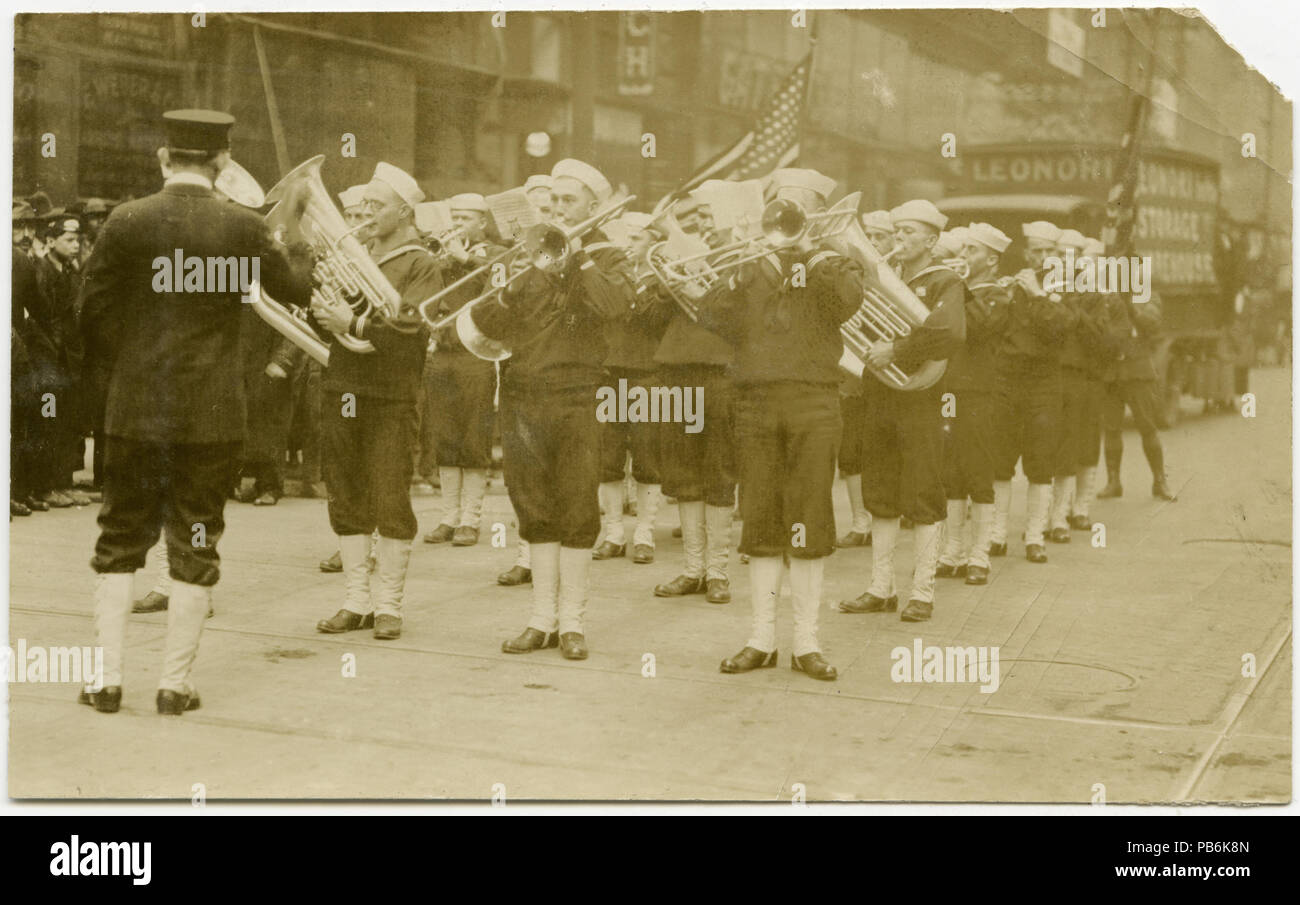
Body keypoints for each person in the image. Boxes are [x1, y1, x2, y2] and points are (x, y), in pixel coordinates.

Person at [78, 108, 311, 714]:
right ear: (223, 163)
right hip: (211, 417)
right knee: (195, 537)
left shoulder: (126, 221)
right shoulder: (243, 228)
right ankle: (173, 686)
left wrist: (133, 364)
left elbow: (91, 314)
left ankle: (106, 682)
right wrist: (295, 236)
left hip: (135, 412)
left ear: (162, 158)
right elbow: (297, 293)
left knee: (120, 536)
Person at [699, 168, 863, 679]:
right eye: (778, 201)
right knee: (763, 517)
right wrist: (737, 265)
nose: (784, 211)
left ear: (818, 212)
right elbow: (712, 316)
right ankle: (761, 638)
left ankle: (807, 642)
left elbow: (849, 302)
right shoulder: (749, 264)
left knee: (808, 517)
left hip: (813, 400)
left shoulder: (834, 262)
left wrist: (812, 253)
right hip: (756, 400)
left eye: (796, 204)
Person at [473, 158, 635, 661]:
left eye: (567, 200)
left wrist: (579, 255)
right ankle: (540, 619)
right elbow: (485, 321)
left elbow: (615, 307)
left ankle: (572, 623)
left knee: (576, 508)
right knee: (534, 508)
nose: (556, 207)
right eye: (553, 200)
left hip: (579, 394)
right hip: (524, 393)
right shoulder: (526, 255)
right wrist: (513, 277)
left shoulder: (609, 256)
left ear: (592, 205)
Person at [311, 162, 441, 642]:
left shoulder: (421, 262)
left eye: (376, 206)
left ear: (405, 212)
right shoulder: (357, 253)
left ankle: (388, 604)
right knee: (345, 491)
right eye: (363, 206)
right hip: (343, 385)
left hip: (390, 394)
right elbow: (324, 314)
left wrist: (354, 323)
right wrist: (323, 309)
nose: (365, 214)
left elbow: (412, 330)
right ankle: (355, 600)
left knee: (389, 492)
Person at [839, 199, 965, 623]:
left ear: (931, 239)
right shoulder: (881, 278)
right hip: (880, 393)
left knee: (924, 490)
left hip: (921, 398)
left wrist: (897, 348)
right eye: (897, 232)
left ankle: (923, 592)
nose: (900, 239)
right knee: (880, 490)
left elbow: (949, 332)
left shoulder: (946, 280)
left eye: (909, 232)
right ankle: (881, 587)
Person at [649, 192, 737, 604]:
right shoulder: (671, 257)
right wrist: (669, 288)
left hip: (721, 373)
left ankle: (717, 570)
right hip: (675, 370)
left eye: (706, 213)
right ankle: (692, 568)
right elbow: (645, 318)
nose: (697, 221)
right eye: (689, 216)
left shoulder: (741, 256)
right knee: (683, 470)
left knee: (718, 470)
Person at [422, 193, 502, 547]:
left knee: (474, 437)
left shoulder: (496, 254)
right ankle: (448, 517)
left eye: (465, 218)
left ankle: (471, 518)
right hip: (442, 351)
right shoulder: (439, 254)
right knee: (444, 436)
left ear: (482, 223)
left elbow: (493, 291)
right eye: (454, 216)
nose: (457, 224)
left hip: (476, 354)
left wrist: (464, 258)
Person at [987, 221, 1070, 563]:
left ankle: (1035, 535)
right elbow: (993, 331)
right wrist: (1004, 300)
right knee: (1001, 459)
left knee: (1040, 460)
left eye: (1048, 251)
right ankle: (997, 533)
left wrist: (1037, 293)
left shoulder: (1067, 283)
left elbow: (1062, 329)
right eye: (1036, 251)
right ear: (1026, 252)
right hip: (1008, 379)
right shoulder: (1015, 283)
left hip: (1045, 381)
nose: (1042, 257)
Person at [936, 222, 1012, 585]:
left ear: (992, 259)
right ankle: (953, 551)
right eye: (963, 249)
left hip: (980, 392)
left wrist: (959, 288)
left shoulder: (998, 293)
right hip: (949, 389)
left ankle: (979, 554)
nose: (962, 256)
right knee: (951, 470)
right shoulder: (958, 289)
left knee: (978, 469)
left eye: (972, 251)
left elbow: (981, 327)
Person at [593, 211, 665, 563]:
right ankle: (614, 532)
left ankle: (645, 533)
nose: (627, 245)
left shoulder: (662, 278)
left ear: (653, 242)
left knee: (649, 457)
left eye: (635, 238)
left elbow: (657, 322)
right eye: (624, 238)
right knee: (608, 457)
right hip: (609, 371)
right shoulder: (609, 276)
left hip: (650, 374)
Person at [836, 209, 895, 548]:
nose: (872, 243)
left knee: (882, 448)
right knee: (851, 449)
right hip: (849, 371)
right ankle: (861, 521)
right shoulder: (851, 274)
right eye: (867, 236)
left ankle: (886, 515)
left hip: (885, 370)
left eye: (880, 237)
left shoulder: (895, 278)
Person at [1097, 290, 1177, 501]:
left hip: (1137, 371)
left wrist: (1130, 306)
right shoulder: (1106, 297)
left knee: (1147, 427)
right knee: (1111, 428)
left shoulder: (1148, 296)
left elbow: (1152, 324)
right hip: (1112, 371)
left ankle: (1160, 481)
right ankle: (1113, 481)